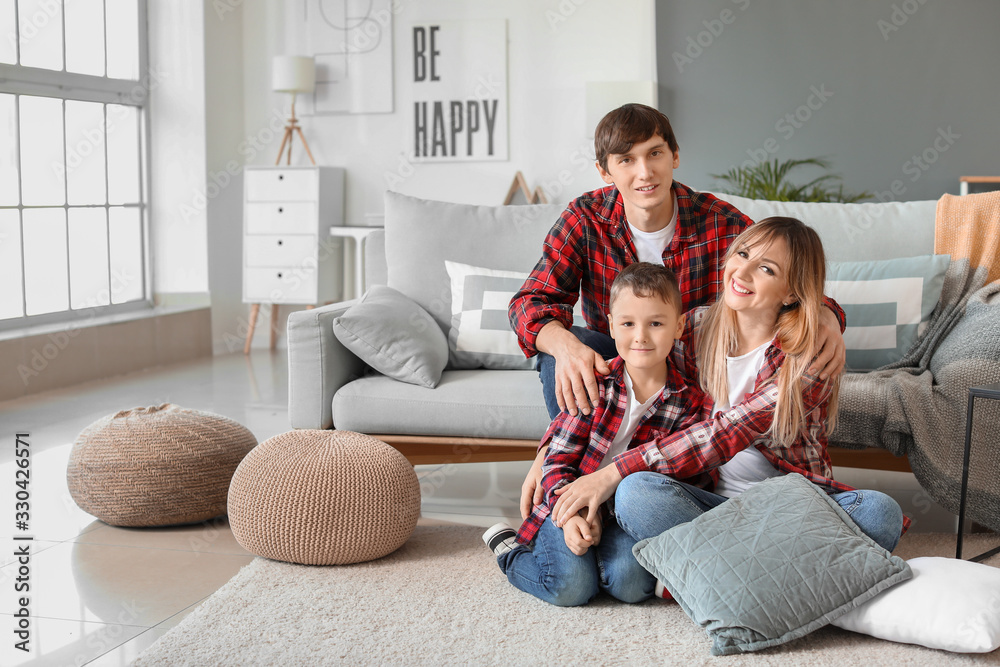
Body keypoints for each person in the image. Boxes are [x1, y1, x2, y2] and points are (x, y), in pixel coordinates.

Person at [510, 103, 848, 516]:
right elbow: (531, 303)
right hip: (618, 365)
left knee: (874, 512)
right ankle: (565, 472)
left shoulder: (719, 221)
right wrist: (563, 352)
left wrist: (828, 316)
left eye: (654, 153)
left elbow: (779, 270)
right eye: (626, 160)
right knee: (571, 342)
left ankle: (640, 496)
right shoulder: (586, 218)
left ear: (675, 155)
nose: (644, 172)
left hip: (689, 377)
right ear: (605, 171)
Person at [546, 218, 906, 561]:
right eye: (743, 254)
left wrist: (612, 472)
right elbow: (628, 378)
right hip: (708, 505)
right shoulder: (696, 329)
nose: (743, 272)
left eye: (767, 269)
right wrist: (548, 452)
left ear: (792, 291)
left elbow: (729, 431)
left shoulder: (808, 353)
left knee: (879, 513)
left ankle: (710, 564)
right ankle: (776, 565)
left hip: (793, 509)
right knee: (637, 495)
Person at [482, 262, 709, 606]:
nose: (641, 337)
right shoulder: (594, 383)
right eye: (628, 324)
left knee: (632, 586)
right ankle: (510, 552)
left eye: (656, 323)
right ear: (612, 326)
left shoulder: (689, 402)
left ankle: (598, 563)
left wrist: (605, 517)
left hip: (621, 516)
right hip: (568, 499)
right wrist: (571, 517)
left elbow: (681, 477)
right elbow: (557, 459)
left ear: (678, 326)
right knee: (571, 587)